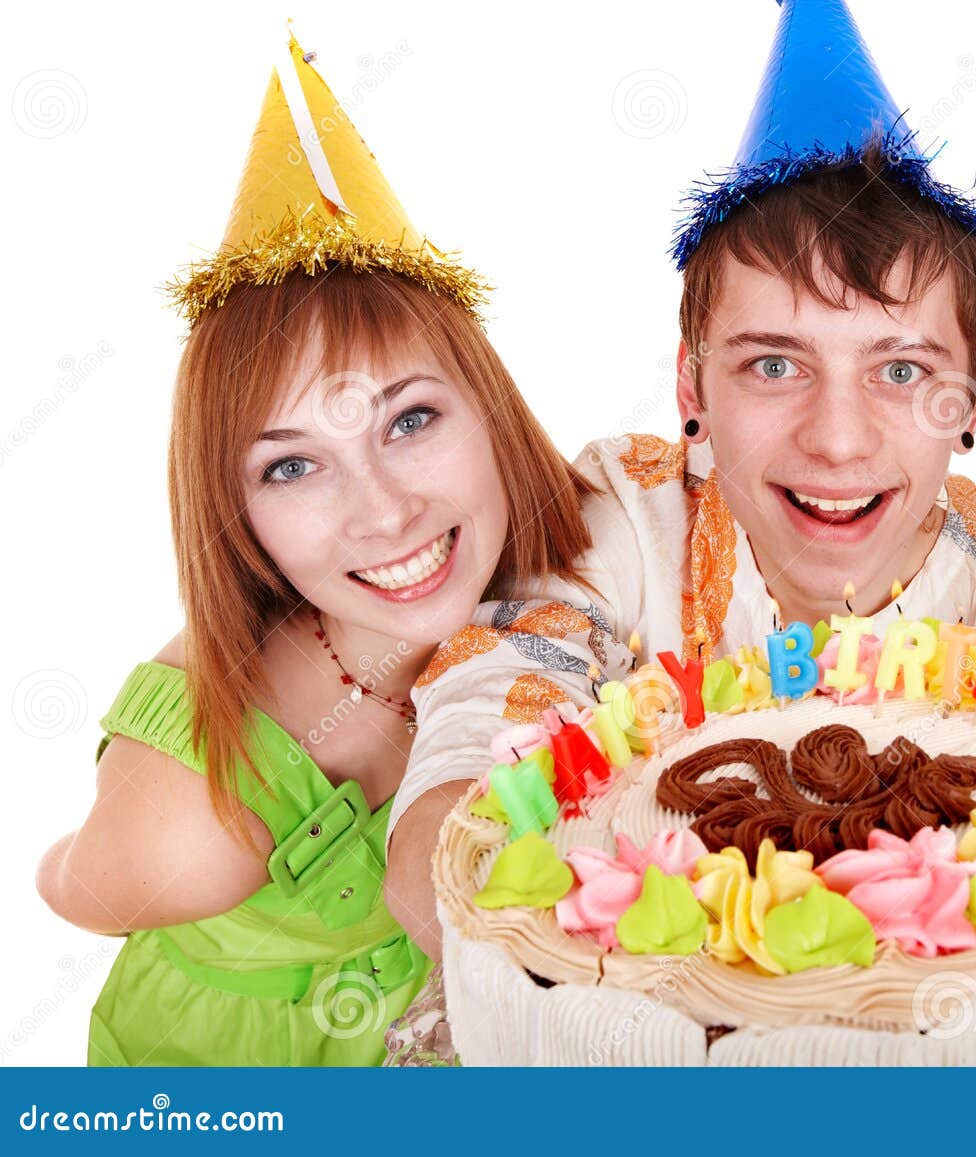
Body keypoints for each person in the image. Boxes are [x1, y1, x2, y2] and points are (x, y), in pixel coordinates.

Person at [382, 0, 976, 1050]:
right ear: (691, 383)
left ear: (973, 398)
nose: (839, 440)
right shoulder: (619, 519)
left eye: (901, 369)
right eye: (774, 364)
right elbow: (484, 725)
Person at [34, 31, 592, 1065]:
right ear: (232, 512)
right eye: (292, 466)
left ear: (492, 412)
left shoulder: (577, 591)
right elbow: (67, 886)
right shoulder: (194, 825)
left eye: (410, 420)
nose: (383, 514)